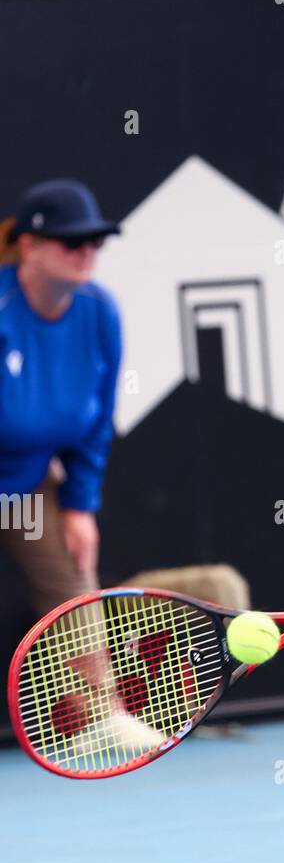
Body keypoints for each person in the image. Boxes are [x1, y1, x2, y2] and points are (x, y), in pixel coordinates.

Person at [0, 178, 122, 617]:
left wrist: (78, 506)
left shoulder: (101, 313)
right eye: (72, 241)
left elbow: (96, 427)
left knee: (77, 606)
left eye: (95, 240)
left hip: (21, 497)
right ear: (30, 246)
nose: (87, 251)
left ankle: (91, 673)